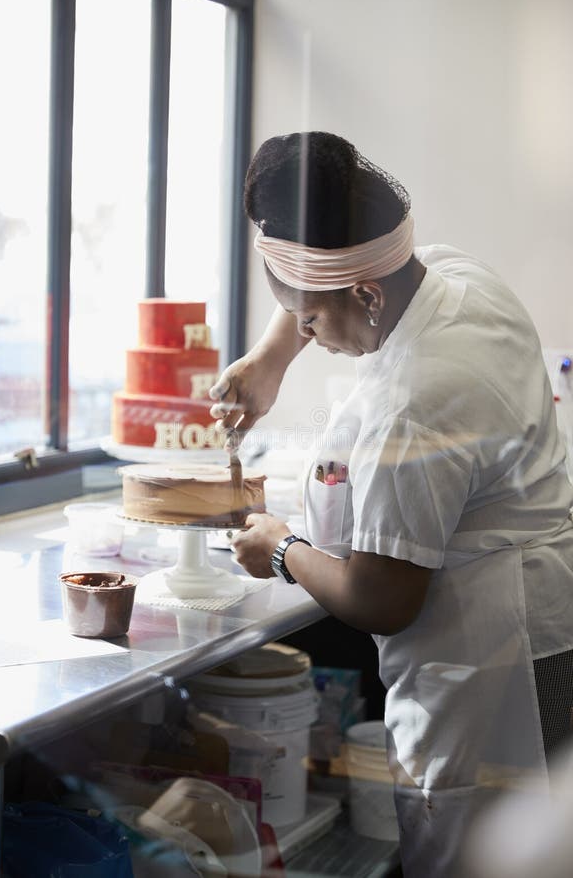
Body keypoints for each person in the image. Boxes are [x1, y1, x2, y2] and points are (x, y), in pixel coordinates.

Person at [209, 131, 573, 878]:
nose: (308, 334)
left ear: (365, 294)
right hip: (548, 616)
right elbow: (331, 283)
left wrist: (279, 547)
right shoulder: (455, 276)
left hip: (491, 664)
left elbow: (382, 598)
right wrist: (272, 359)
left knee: (483, 855)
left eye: (308, 321)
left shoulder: (417, 400)